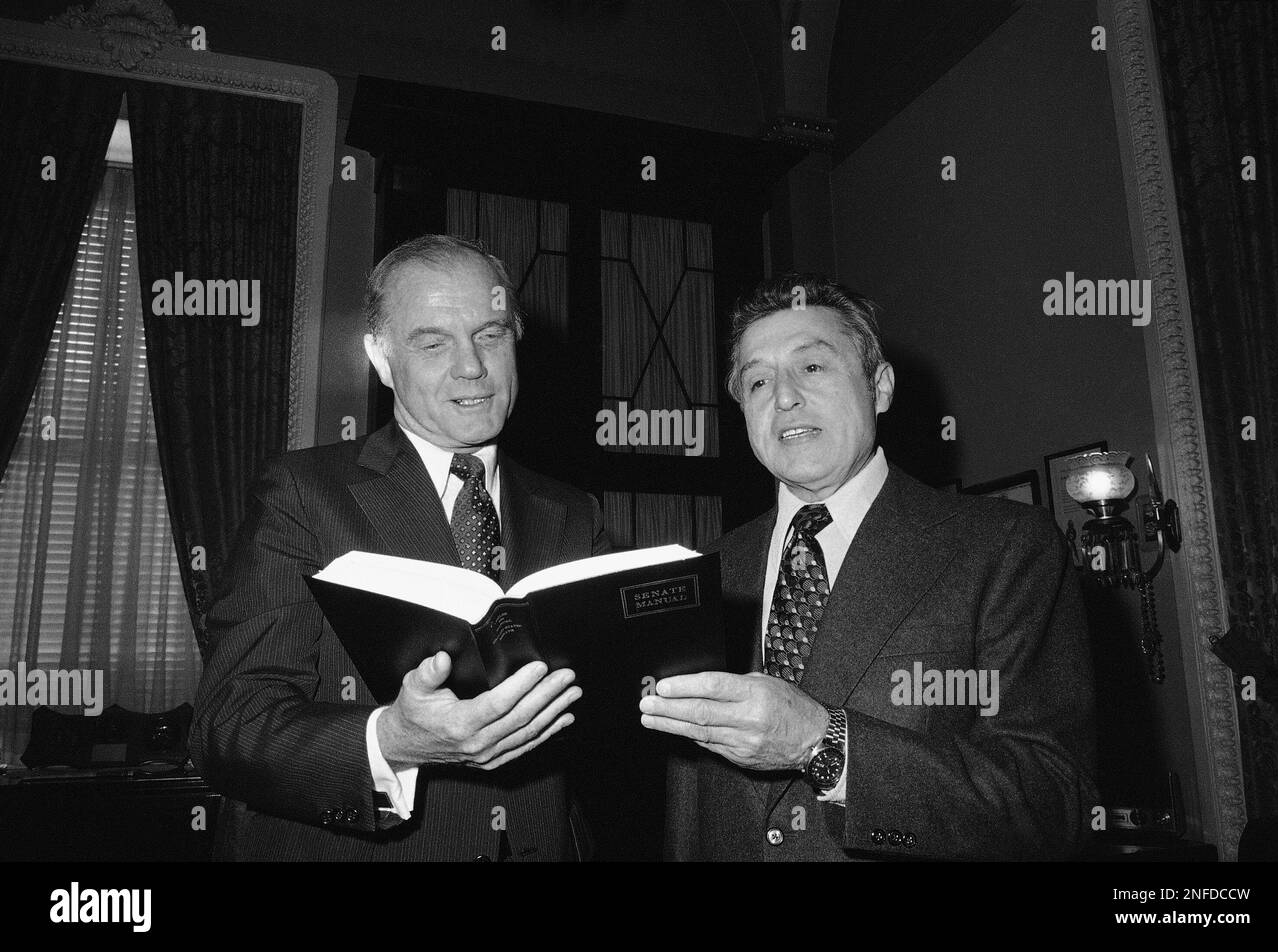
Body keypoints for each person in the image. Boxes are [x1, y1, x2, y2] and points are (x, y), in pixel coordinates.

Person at [642, 273, 1098, 860]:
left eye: (812, 367)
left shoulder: (1004, 546)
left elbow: (1054, 803)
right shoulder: (702, 573)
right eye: (758, 380)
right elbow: (687, 811)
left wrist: (821, 743)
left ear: (879, 386)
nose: (783, 397)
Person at [190, 235, 607, 861]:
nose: (471, 366)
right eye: (432, 342)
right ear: (381, 361)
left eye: (490, 335)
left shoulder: (574, 513)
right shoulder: (302, 495)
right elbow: (231, 726)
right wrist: (392, 740)